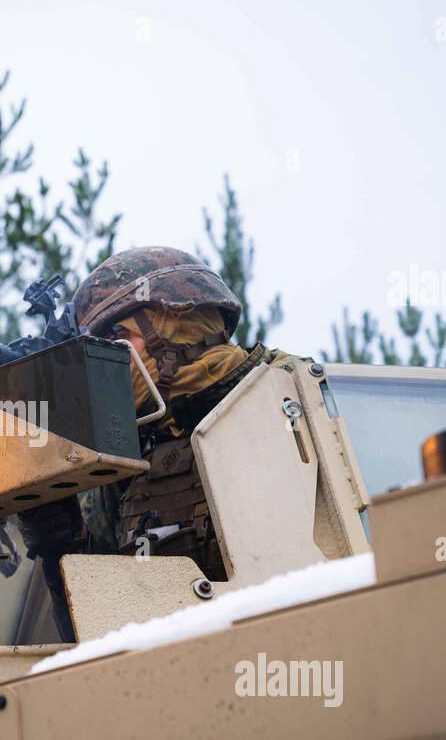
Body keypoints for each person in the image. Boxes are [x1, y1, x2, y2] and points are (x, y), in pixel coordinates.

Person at [17, 246, 304, 582]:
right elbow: (107, 615)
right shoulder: (130, 462)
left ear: (174, 328)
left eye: (116, 338)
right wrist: (62, 548)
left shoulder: (297, 397)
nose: (103, 361)